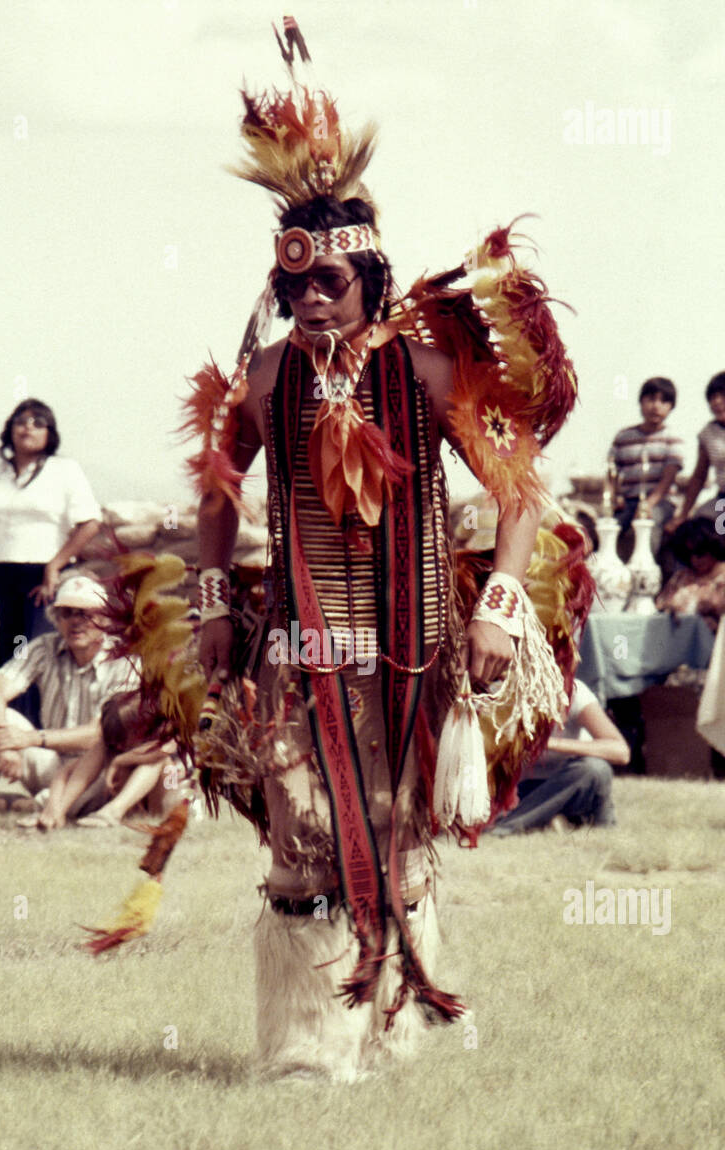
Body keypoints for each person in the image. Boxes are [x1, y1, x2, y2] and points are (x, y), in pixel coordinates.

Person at [168, 23, 586, 1081]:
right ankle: (309, 1048)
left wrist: (498, 606)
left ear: (369, 277)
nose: (310, 301)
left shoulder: (433, 372)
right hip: (301, 656)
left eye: (329, 286)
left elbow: (516, 487)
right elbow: (216, 494)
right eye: (293, 285)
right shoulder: (264, 378)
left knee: (397, 842)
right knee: (303, 838)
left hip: (413, 649)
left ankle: (398, 1033)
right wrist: (214, 603)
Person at [0, 573, 138, 826]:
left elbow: (100, 733)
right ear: (56, 618)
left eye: (86, 614)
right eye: (67, 613)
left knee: (91, 784)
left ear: (106, 618)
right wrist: (4, 739)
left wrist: (33, 739)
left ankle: (25, 804)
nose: (76, 622)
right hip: (50, 759)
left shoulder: (125, 659)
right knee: (5, 719)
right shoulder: (43, 647)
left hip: (94, 768)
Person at [0, 399, 102, 720]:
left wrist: (55, 565)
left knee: (39, 651)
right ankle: (12, 729)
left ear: (50, 432)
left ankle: (44, 730)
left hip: (45, 576)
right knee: (13, 653)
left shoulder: (64, 470)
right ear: (10, 430)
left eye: (38, 422)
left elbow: (90, 523)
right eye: (21, 421)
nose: (28, 428)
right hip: (7, 576)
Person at [490, 679, 629, 836]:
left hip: (570, 785)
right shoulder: (500, 692)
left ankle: (505, 828)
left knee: (596, 769)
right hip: (524, 791)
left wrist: (548, 743)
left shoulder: (575, 691)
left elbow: (621, 751)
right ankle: (546, 820)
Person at [34, 690, 185, 831]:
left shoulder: (168, 732)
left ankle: (113, 811)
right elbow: (65, 771)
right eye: (115, 742)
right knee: (102, 746)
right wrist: (54, 808)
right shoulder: (113, 746)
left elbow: (164, 750)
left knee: (159, 761)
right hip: (135, 808)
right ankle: (60, 811)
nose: (118, 746)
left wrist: (119, 760)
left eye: (122, 739)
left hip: (171, 795)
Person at [666, 371, 725, 565]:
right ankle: (690, 587)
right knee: (695, 530)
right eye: (713, 398)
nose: (718, 402)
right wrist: (683, 514)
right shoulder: (709, 434)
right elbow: (698, 477)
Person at [608, 377, 683, 566]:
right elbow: (612, 471)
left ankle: (646, 571)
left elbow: (668, 478)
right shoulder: (624, 437)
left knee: (649, 524)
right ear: (641, 402)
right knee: (608, 528)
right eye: (650, 399)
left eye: (663, 401)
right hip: (629, 501)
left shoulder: (672, 439)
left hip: (661, 502)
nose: (656, 406)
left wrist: (649, 503)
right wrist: (614, 496)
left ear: (671, 406)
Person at [656, 517, 725, 631]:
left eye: (699, 552)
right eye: (688, 554)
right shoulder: (681, 576)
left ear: (713, 547)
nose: (694, 559)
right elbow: (661, 606)